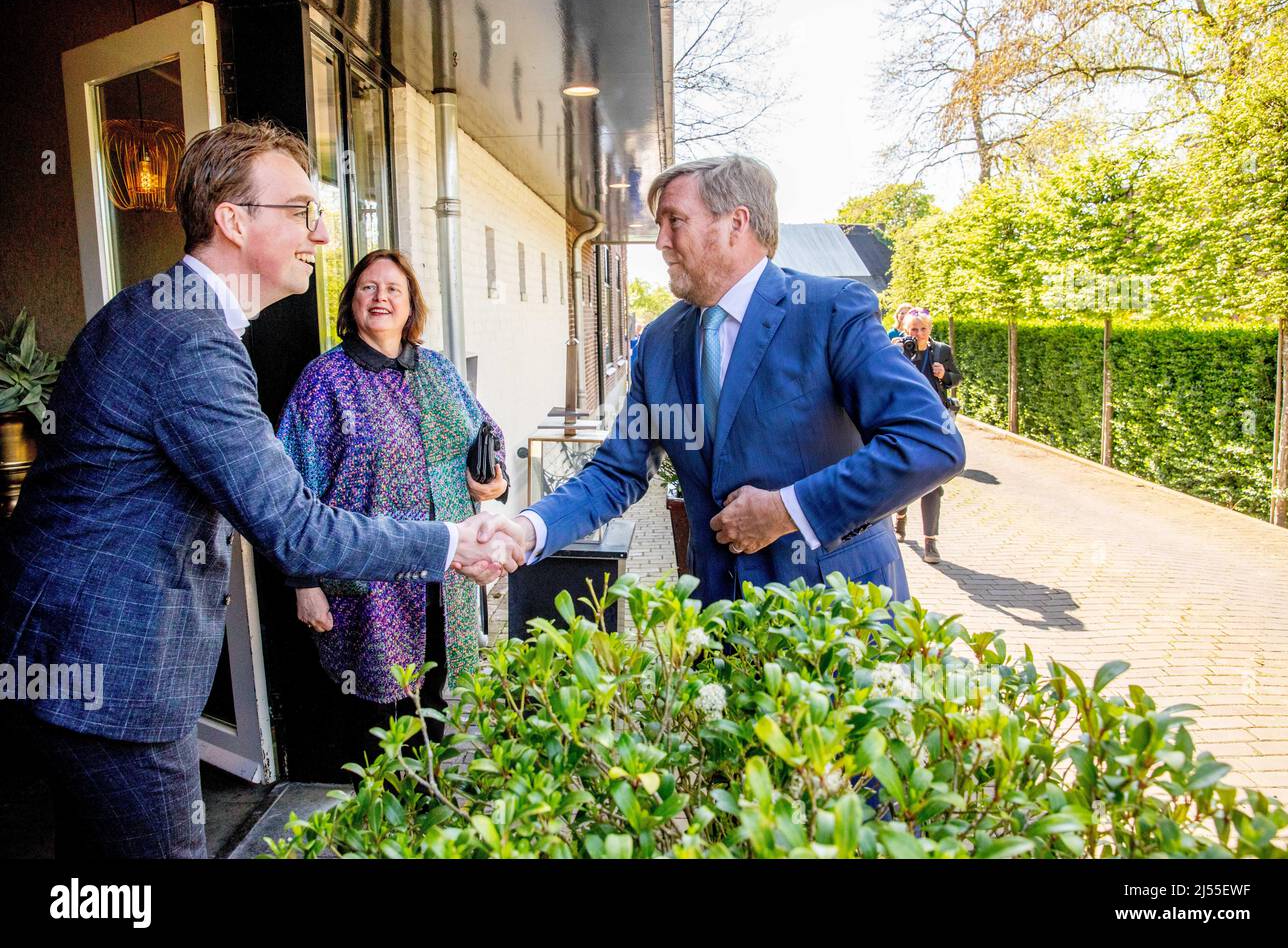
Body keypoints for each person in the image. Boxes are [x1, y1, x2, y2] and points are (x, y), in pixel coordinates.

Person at [0, 121, 520, 859]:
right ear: (234, 221)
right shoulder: (191, 341)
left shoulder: (168, 312)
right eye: (302, 212)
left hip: (71, 660)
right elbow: (294, 525)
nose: (320, 236)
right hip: (112, 677)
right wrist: (449, 543)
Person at [479, 155, 965, 605]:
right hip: (716, 621)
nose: (661, 242)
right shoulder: (659, 341)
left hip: (837, 615)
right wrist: (526, 529)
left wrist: (786, 510)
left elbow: (929, 442)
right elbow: (617, 472)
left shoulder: (829, 311)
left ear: (736, 222)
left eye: (675, 221)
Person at [277, 249, 508, 762]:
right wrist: (303, 583)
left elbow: (484, 434)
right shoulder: (324, 381)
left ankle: (426, 815)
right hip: (367, 582)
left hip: (442, 575)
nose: (380, 298)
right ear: (351, 302)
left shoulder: (437, 371)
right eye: (368, 288)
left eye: (393, 290)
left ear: (410, 307)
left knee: (434, 699)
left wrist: (493, 483)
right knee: (375, 719)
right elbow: (289, 490)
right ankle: (382, 826)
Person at [891, 308, 962, 563]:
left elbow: (957, 378)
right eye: (913, 329)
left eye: (922, 329)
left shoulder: (941, 350)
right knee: (905, 474)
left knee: (933, 480)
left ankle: (930, 542)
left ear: (930, 329)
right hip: (904, 420)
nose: (918, 334)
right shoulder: (896, 348)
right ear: (904, 330)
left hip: (934, 421)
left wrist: (945, 375)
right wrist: (891, 352)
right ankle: (900, 517)